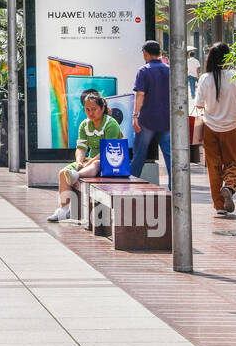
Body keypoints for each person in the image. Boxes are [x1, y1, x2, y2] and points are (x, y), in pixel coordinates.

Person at [192, 42, 236, 217]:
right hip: (233, 127)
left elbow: (198, 106)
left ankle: (219, 205)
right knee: (233, 163)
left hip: (210, 128)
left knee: (213, 166)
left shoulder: (205, 78)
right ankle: (229, 187)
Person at [48, 90, 122, 222]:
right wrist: (79, 162)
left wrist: (88, 163)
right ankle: (64, 210)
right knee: (63, 173)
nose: (90, 113)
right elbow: (81, 148)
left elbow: (107, 151)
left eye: (94, 109)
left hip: (111, 161)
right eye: (87, 109)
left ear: (102, 108)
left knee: (95, 164)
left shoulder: (111, 124)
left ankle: (77, 175)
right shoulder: (84, 124)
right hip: (90, 162)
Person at [129, 40, 171, 181]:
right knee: (169, 155)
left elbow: (140, 94)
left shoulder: (144, 70)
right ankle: (175, 187)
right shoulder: (169, 70)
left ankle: (132, 183)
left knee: (139, 154)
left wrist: (135, 116)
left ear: (145, 53)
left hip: (147, 120)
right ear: (159, 53)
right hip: (166, 120)